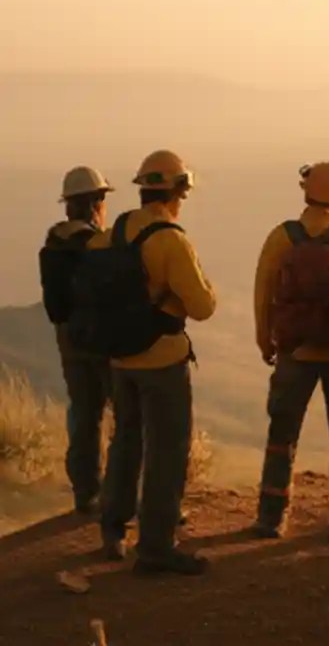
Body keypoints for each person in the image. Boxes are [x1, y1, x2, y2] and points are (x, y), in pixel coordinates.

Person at [84, 150, 217, 576]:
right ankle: (157, 546)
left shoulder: (112, 233)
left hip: (120, 359)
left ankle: (112, 527)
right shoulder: (170, 239)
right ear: (178, 191)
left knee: (125, 441)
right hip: (162, 359)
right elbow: (203, 307)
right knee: (167, 451)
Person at [251, 163, 329, 541]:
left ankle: (271, 516)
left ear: (306, 192)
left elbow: (263, 291)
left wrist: (264, 336)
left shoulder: (282, 237)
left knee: (281, 433)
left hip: (294, 352)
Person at [38, 167, 117, 515]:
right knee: (126, 416)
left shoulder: (52, 243)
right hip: (103, 339)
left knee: (85, 414)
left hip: (67, 338)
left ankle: (86, 492)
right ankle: (121, 494)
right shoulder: (99, 244)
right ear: (96, 203)